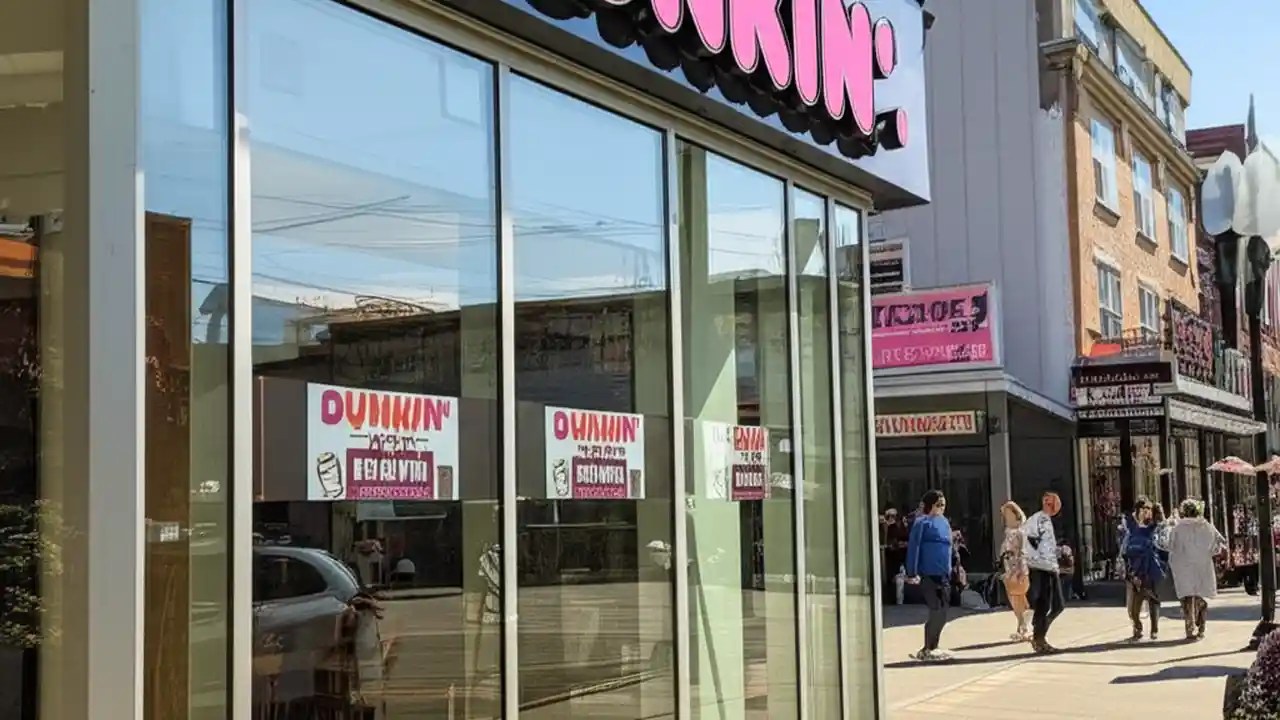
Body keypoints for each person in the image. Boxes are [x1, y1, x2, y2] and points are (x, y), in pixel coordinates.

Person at [1168, 498, 1227, 641]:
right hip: (1202, 565)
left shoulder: (1178, 528)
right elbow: (1219, 542)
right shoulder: (1206, 526)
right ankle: (1200, 619)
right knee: (1198, 593)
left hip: (1183, 566)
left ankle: (1190, 629)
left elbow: (1171, 545)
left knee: (1187, 597)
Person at [905, 489, 953, 662]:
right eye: (938, 504)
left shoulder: (945, 523)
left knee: (943, 611)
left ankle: (935, 645)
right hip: (928, 573)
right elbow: (914, 547)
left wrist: (956, 568)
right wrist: (912, 571)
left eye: (943, 505)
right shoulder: (922, 523)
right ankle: (927, 647)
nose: (941, 508)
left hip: (944, 573)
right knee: (935, 608)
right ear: (930, 505)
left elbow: (950, 548)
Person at [1024, 491, 1065, 654]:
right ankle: (1038, 637)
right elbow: (1029, 539)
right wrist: (1037, 559)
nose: (1052, 506)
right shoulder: (1038, 519)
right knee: (1048, 604)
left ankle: (1039, 634)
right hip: (1042, 568)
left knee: (1054, 605)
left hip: (1049, 566)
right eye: (1048, 502)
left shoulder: (1046, 520)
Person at [1122, 498, 1166, 641]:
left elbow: (1163, 538)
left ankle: (1154, 629)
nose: (1145, 513)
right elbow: (1124, 548)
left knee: (1153, 600)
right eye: (1143, 510)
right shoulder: (1131, 528)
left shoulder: (1154, 527)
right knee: (1134, 606)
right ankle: (1137, 627)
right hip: (1134, 569)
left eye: (1148, 510)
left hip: (1150, 568)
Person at [998, 501, 1031, 641]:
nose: (1007, 518)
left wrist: (1022, 570)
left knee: (1021, 598)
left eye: (1010, 514)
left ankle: (1025, 627)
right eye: (1005, 515)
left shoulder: (1021, 532)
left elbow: (1023, 552)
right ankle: (1021, 626)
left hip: (1018, 569)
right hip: (1009, 569)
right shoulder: (1008, 533)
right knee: (1014, 599)